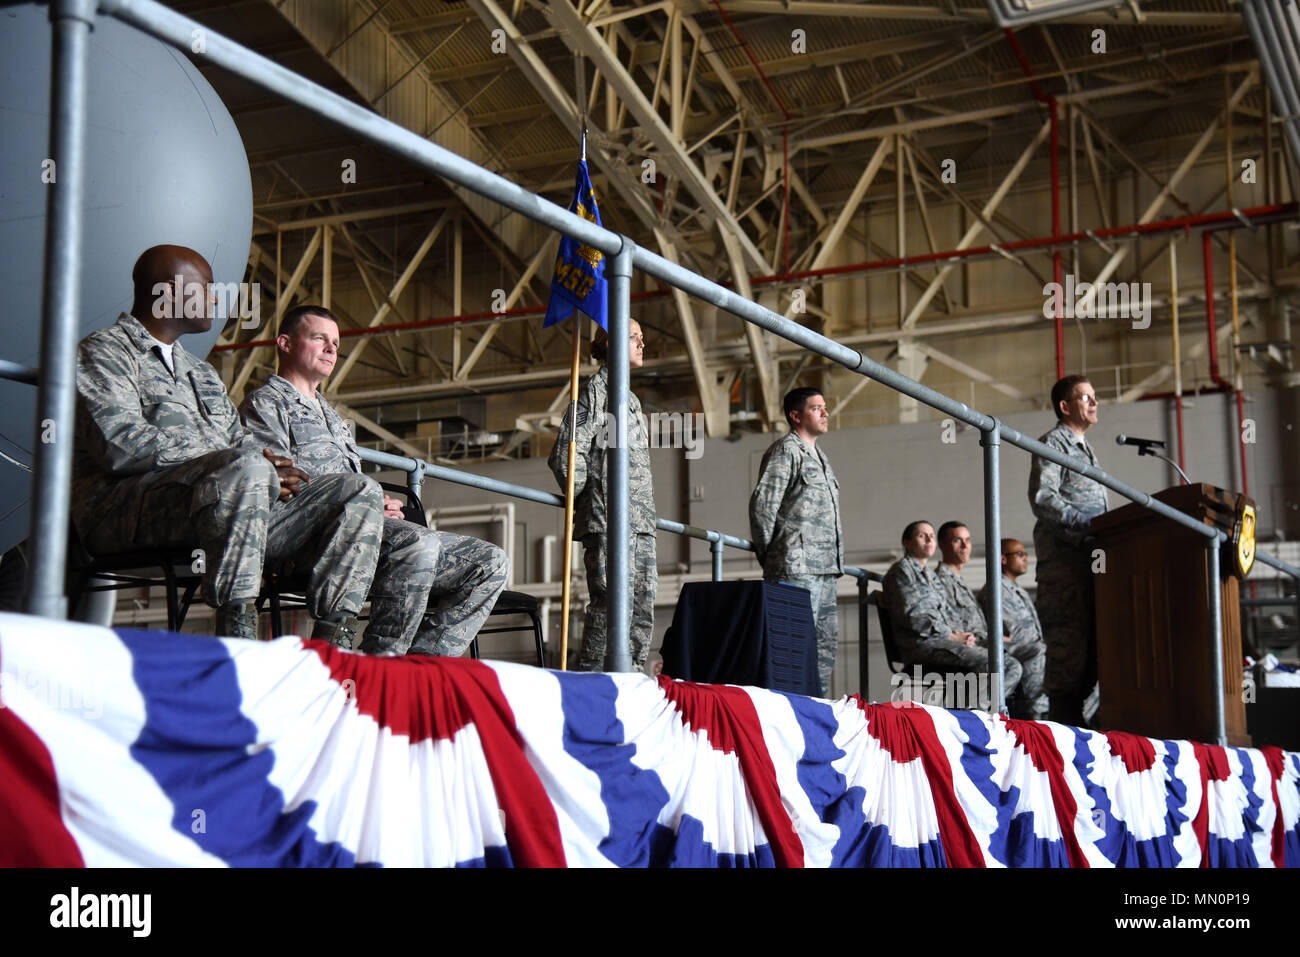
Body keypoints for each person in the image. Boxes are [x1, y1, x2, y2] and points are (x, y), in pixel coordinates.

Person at [73, 245, 384, 643]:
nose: (215, 299)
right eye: (205, 288)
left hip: (223, 502)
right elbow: (118, 445)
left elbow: (242, 444)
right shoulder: (106, 351)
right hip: (125, 510)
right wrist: (235, 461)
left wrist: (275, 471)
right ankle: (239, 635)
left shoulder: (200, 373)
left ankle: (332, 646)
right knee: (249, 469)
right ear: (170, 292)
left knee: (357, 491)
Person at [240, 305, 509, 656]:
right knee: (416, 544)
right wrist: (361, 498)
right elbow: (274, 486)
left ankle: (423, 666)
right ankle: (379, 664)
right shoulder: (266, 405)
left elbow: (352, 485)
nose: (331, 349)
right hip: (308, 540)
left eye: (335, 342)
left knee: (490, 562)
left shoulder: (333, 418)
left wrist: (376, 505)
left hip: (361, 532)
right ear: (286, 343)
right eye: (319, 338)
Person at [548, 319, 657, 672]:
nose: (642, 343)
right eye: (633, 337)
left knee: (642, 606)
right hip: (611, 518)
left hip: (639, 522)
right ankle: (592, 681)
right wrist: (586, 499)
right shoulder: (598, 390)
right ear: (609, 344)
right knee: (612, 606)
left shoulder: (631, 400)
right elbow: (566, 451)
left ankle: (633, 680)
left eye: (642, 337)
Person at [749, 387, 844, 696]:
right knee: (791, 648)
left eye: (824, 408)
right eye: (817, 408)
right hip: (795, 567)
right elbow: (763, 505)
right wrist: (774, 557)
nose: (825, 413)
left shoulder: (821, 457)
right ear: (796, 415)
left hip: (825, 569)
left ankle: (814, 712)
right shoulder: (786, 450)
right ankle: (787, 716)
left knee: (823, 649)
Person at [1028, 374, 1109, 726]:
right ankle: (1063, 747)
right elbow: (1043, 499)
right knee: (1067, 666)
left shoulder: (1085, 448)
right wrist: (1087, 528)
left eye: (1094, 397)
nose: (1094, 403)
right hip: (1066, 574)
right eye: (1086, 397)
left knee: (1092, 658)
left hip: (1092, 568)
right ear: (1065, 406)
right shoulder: (1053, 443)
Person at [882, 520, 1023, 709]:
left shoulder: (929, 575)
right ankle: (977, 716)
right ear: (907, 543)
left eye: (931, 536)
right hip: (923, 645)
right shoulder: (902, 571)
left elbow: (947, 612)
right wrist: (951, 635)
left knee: (1007, 662)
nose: (929, 540)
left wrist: (963, 635)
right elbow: (914, 616)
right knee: (1002, 665)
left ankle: (977, 712)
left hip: (942, 641)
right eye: (922, 536)